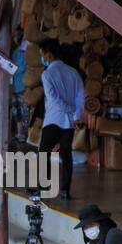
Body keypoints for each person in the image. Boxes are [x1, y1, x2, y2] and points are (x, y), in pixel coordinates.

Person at [35, 38, 86, 202]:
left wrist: (70, 110)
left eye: (42, 54)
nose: (41, 57)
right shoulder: (73, 72)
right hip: (68, 123)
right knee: (66, 155)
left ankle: (44, 187)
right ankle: (65, 189)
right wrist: (75, 115)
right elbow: (80, 97)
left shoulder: (47, 74)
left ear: (48, 55)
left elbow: (54, 99)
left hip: (52, 120)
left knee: (43, 154)